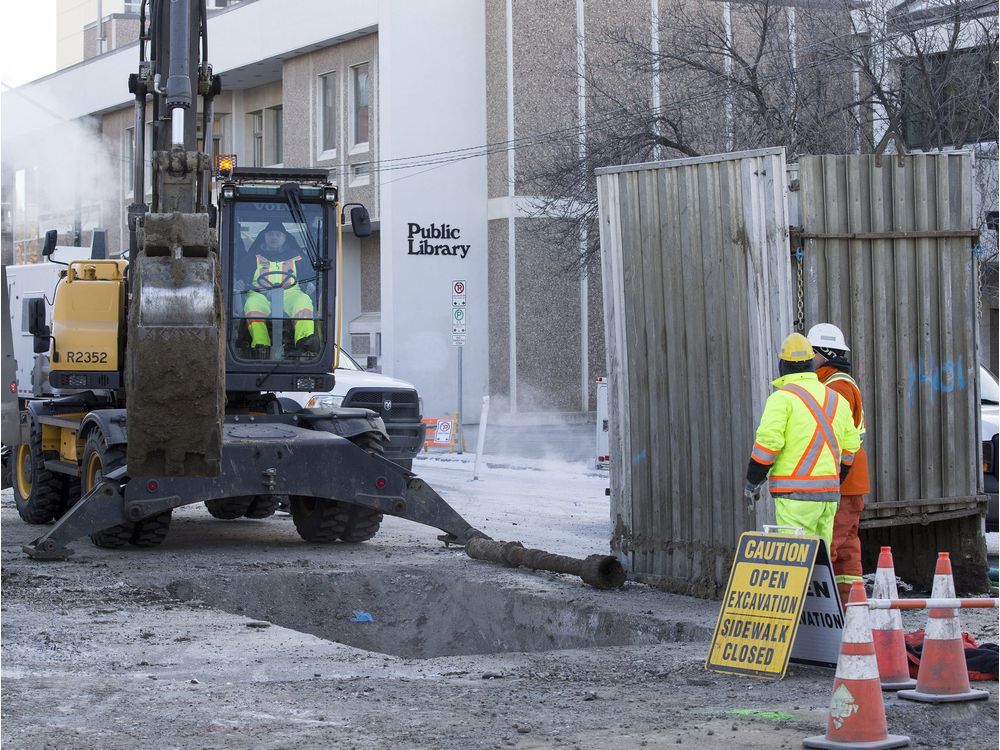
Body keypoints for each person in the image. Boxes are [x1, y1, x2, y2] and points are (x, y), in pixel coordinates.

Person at [744, 332, 862, 554]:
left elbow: (768, 445)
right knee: (820, 560)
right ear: (810, 364)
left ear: (783, 365)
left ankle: (799, 591)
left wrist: (753, 481)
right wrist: (836, 480)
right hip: (827, 497)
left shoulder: (782, 399)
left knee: (794, 560)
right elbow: (850, 449)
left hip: (795, 496)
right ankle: (816, 590)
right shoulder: (835, 399)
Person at [808, 323, 869, 607]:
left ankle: (825, 617)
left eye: (811, 352)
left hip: (841, 479)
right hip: (848, 480)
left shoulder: (838, 387)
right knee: (846, 551)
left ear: (824, 353)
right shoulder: (834, 383)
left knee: (830, 547)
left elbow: (832, 438)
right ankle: (851, 612)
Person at [239, 221, 319, 357]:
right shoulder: (253, 257)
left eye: (277, 235)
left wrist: (310, 285)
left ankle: (305, 340)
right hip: (260, 294)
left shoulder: (298, 257)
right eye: (270, 235)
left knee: (303, 301)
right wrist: (242, 281)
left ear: (285, 238)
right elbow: (243, 273)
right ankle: (261, 345)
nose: (274, 237)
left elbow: (308, 275)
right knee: (252, 305)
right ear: (264, 237)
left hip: (290, 293)